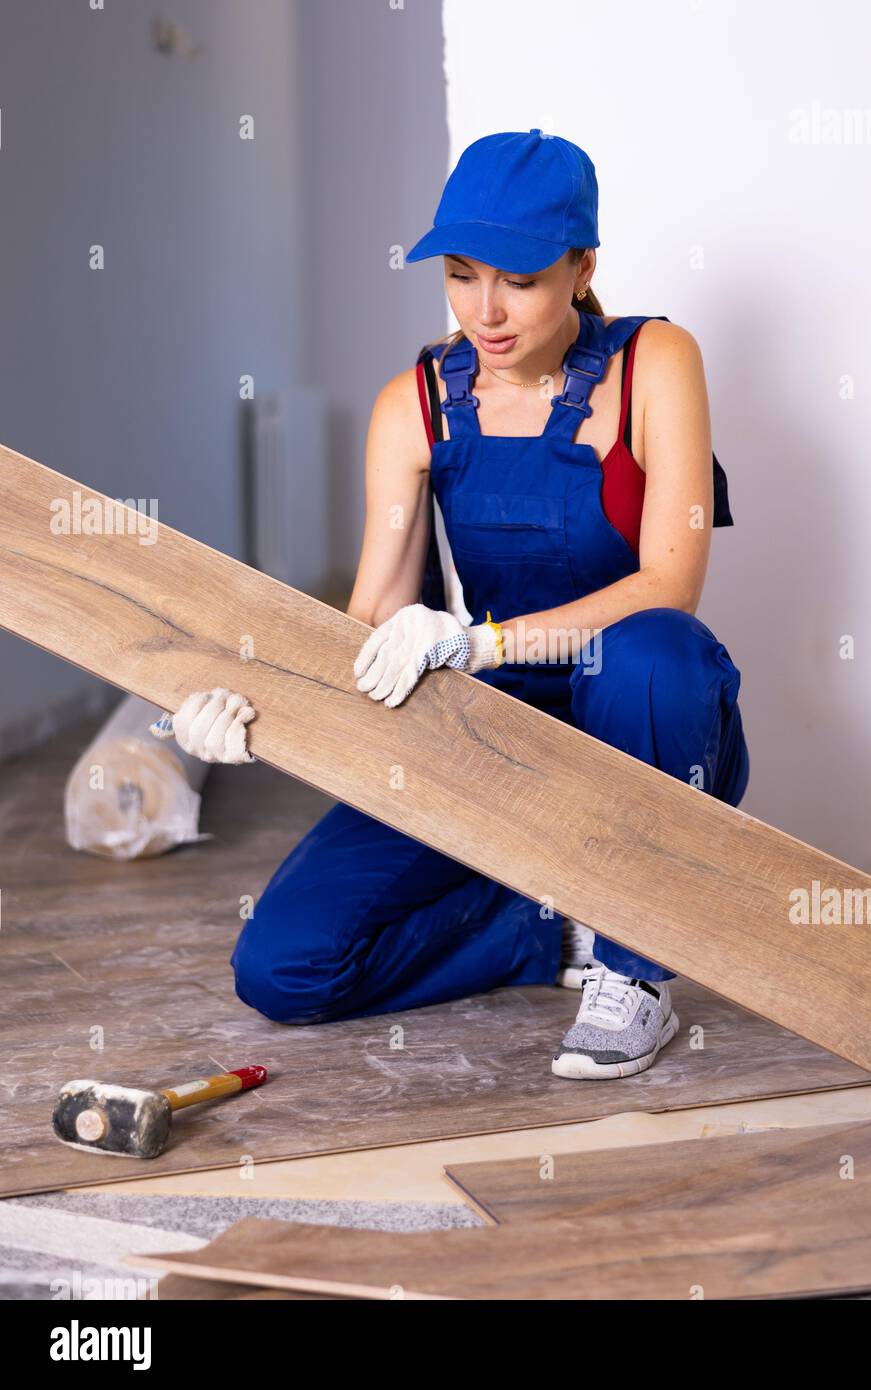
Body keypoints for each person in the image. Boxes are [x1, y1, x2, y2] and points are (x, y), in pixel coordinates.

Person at [152, 128, 749, 1080]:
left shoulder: (655, 363)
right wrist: (234, 707)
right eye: (463, 276)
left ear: (582, 265)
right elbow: (369, 620)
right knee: (285, 968)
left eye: (518, 279)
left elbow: (669, 582)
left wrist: (481, 639)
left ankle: (635, 970)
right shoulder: (416, 402)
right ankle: (554, 930)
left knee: (655, 647)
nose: (487, 310)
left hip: (638, 719)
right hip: (485, 721)